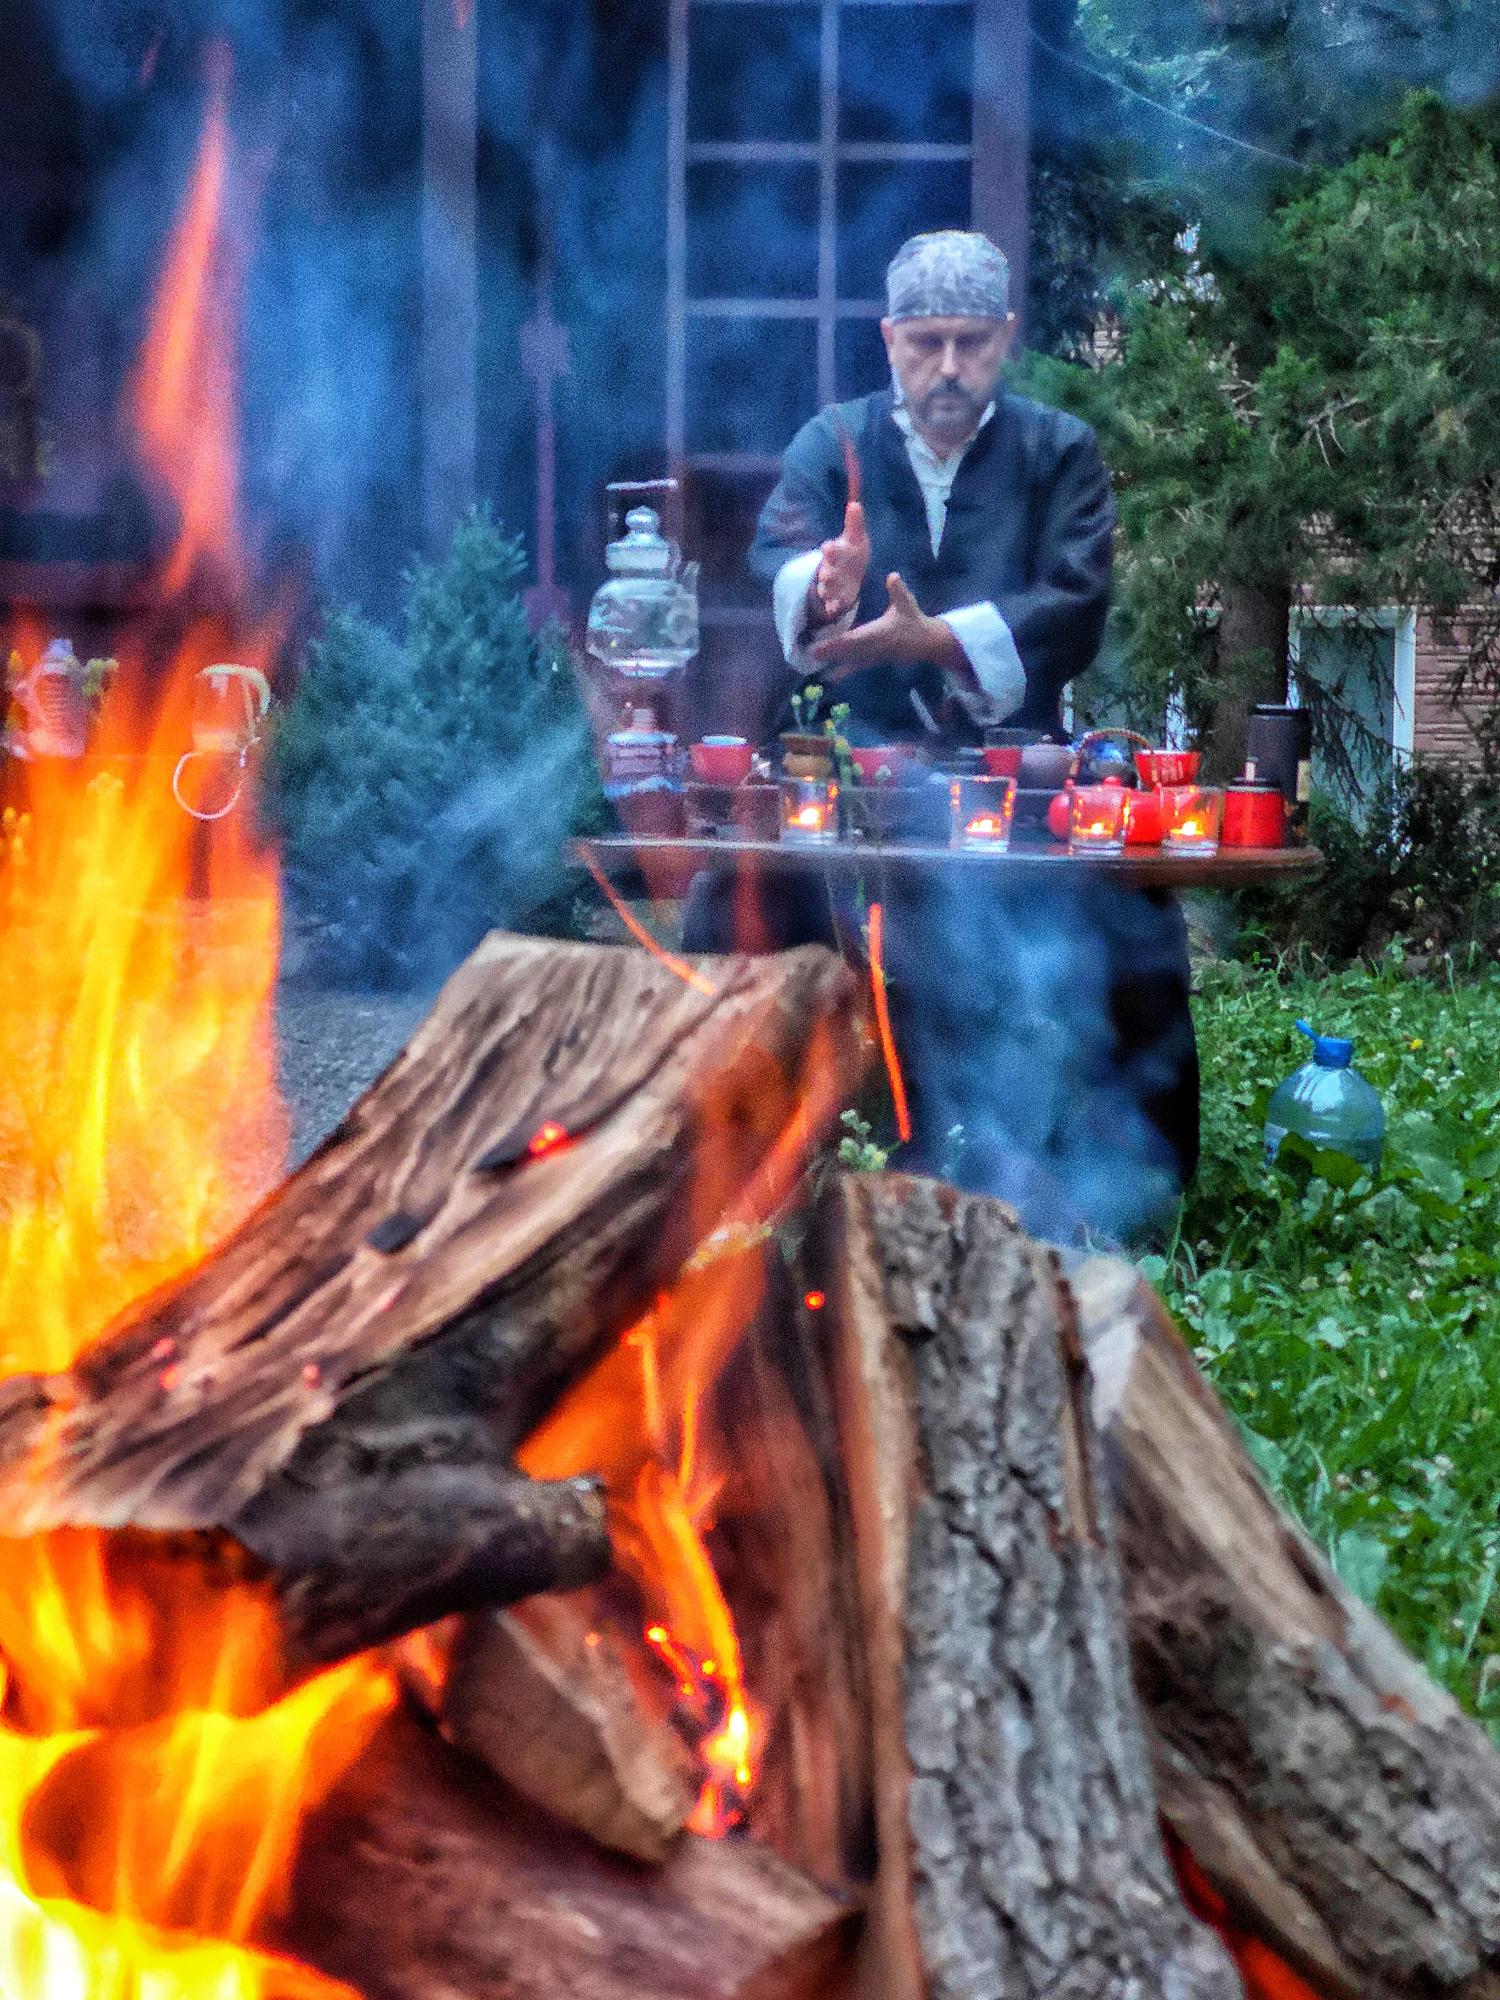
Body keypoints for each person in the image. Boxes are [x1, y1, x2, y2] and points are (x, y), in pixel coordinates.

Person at [683, 229, 1199, 1239]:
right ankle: (720, 1163)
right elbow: (779, 554)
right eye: (926, 342)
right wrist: (822, 589)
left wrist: (942, 640)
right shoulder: (832, 442)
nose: (949, 367)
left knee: (1136, 916)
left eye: (971, 341)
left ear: (1005, 338)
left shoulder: (1061, 453)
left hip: (1020, 783)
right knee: (726, 901)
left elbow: (1075, 601)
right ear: (889, 340)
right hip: (848, 782)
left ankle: (1147, 1189)